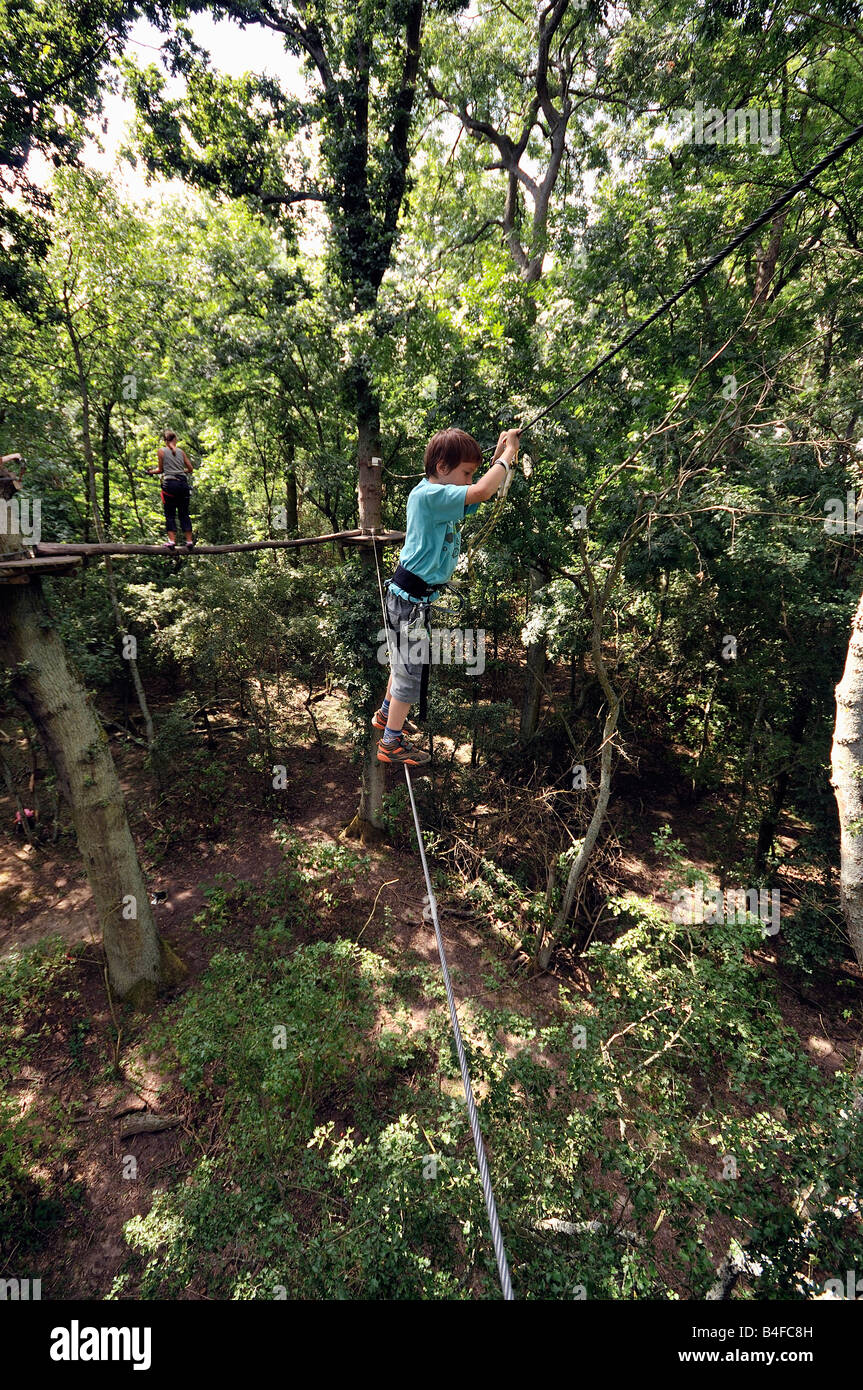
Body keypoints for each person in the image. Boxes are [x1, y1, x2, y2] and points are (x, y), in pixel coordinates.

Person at [375, 425, 521, 767]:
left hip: (412, 599)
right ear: (442, 468)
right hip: (410, 602)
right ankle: (391, 742)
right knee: (409, 676)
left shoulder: (441, 496)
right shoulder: (430, 496)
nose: (470, 480)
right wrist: (510, 454)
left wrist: (498, 457)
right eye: (465, 472)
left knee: (402, 667)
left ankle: (386, 715)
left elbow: (478, 492)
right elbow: (484, 492)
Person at [150, 430, 195, 550]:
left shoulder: (161, 451)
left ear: (165, 441)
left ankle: (172, 541)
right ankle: (189, 541)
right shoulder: (181, 452)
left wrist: (150, 472)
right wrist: (181, 471)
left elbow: (160, 470)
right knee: (184, 514)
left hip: (170, 485)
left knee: (170, 514)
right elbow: (190, 469)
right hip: (183, 485)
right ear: (175, 440)